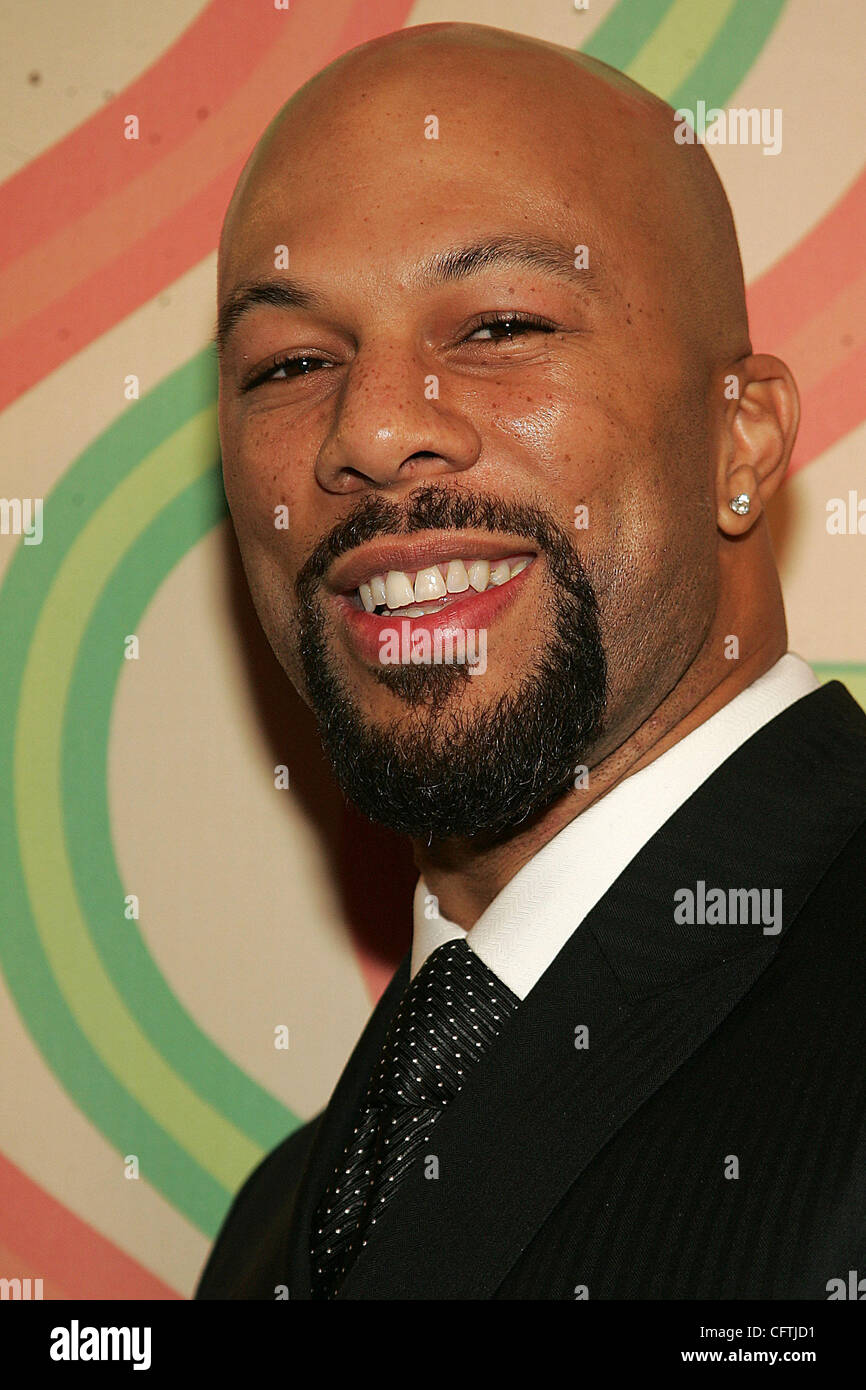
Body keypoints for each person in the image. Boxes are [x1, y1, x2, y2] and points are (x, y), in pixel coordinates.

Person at [196, 23, 866, 1300]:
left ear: (742, 439)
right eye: (290, 363)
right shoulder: (284, 1217)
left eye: (499, 324)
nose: (373, 428)